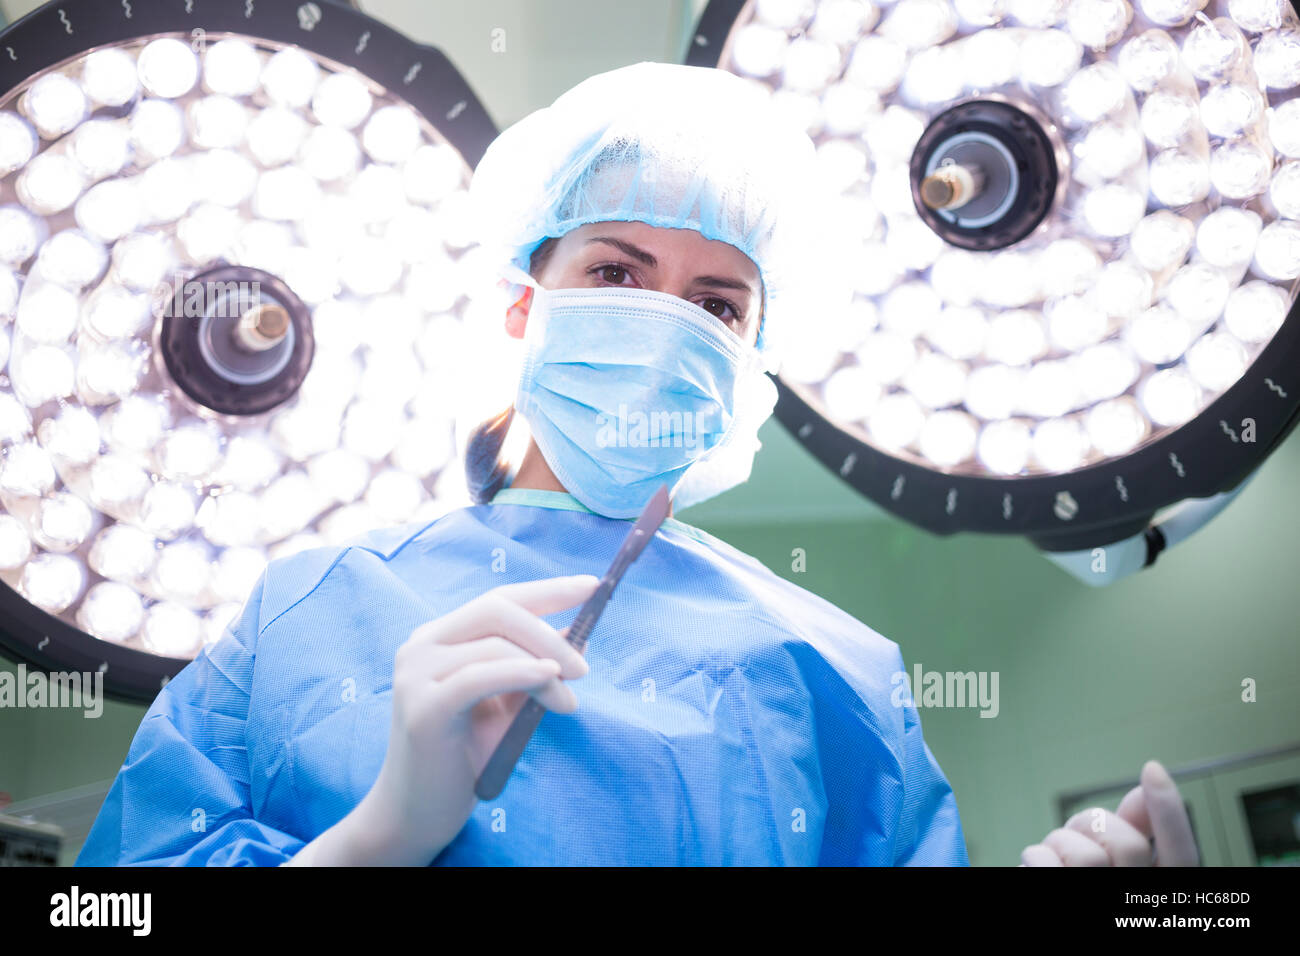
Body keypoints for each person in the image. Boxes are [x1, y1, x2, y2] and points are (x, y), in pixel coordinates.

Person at [77, 62, 1194, 867]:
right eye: (614, 270)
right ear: (526, 306)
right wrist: (376, 840)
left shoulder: (841, 672)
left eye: (716, 302)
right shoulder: (304, 613)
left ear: (750, 361)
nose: (665, 323)